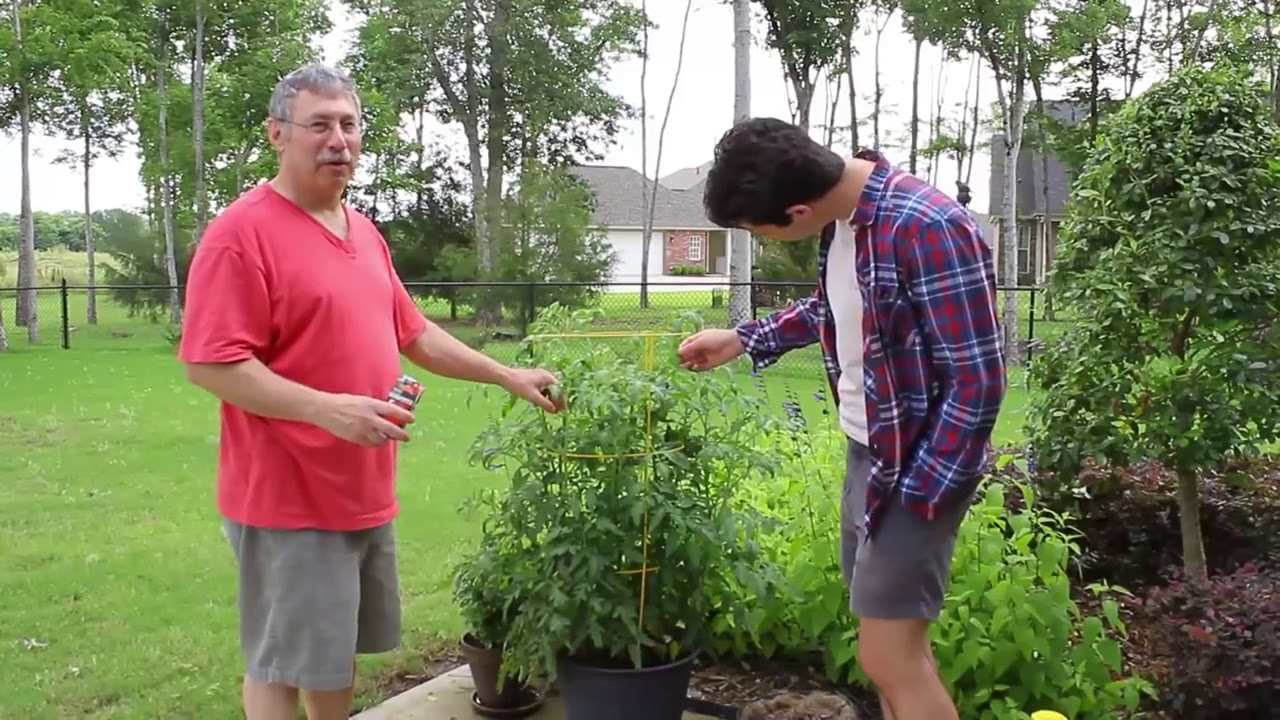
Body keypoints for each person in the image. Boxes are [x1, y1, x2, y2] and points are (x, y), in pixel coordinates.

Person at [177, 63, 563, 720]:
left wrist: (506, 374)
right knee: (280, 661)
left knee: (335, 657)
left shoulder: (361, 230)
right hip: (286, 496)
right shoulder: (242, 234)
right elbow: (210, 363)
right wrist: (330, 410)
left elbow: (413, 333)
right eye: (319, 124)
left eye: (349, 124)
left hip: (359, 488)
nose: (339, 140)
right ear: (277, 133)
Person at [677, 118, 1006, 720]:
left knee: (889, 660)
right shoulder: (849, 222)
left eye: (762, 232)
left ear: (797, 211)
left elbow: (978, 382)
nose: (772, 242)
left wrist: (916, 496)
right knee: (898, 654)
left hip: (918, 470)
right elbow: (842, 308)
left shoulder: (929, 227)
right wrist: (746, 339)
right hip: (869, 454)